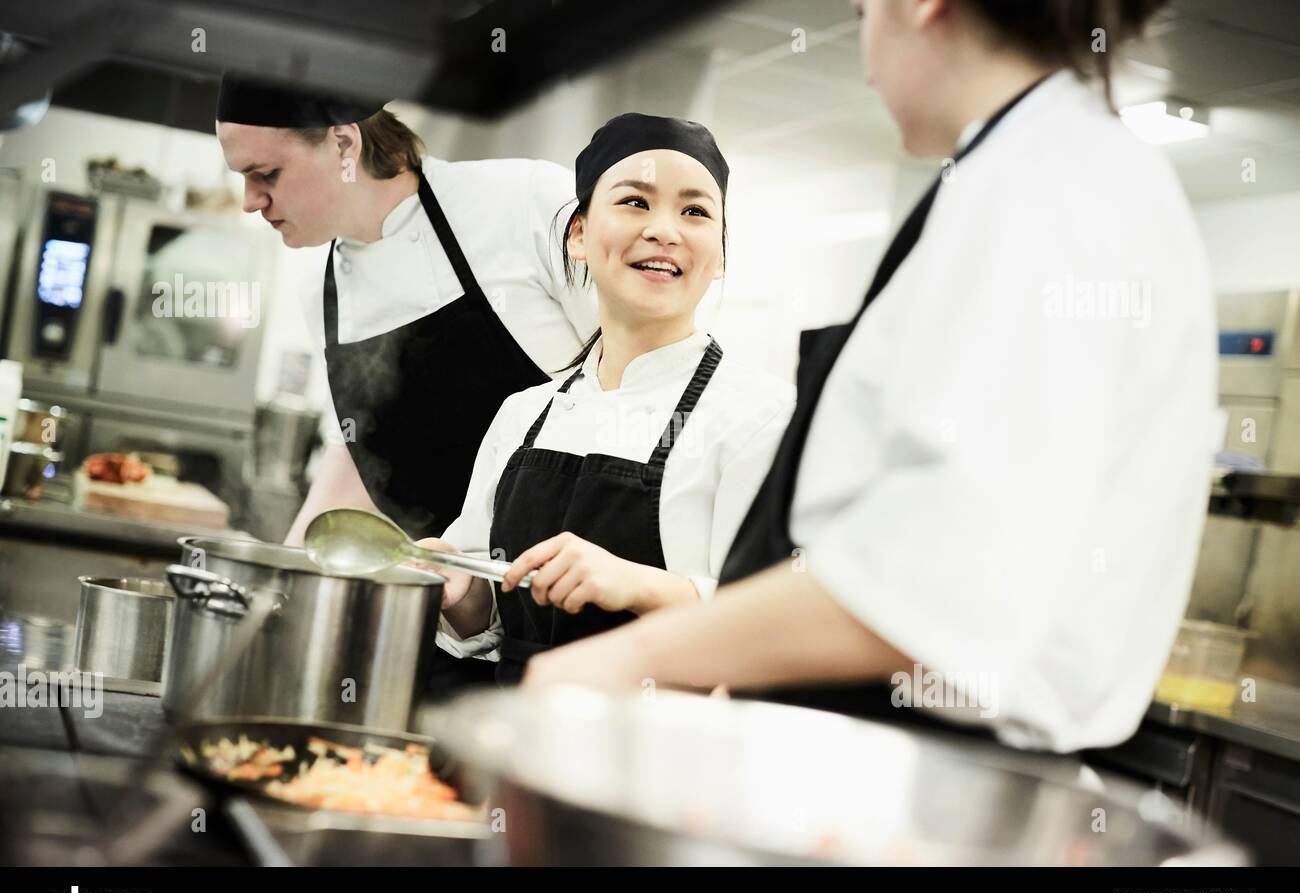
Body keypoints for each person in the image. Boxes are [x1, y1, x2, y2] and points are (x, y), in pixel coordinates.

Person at [519, 0, 1216, 754]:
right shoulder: (1024, 175)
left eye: (861, 12)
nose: (866, 56)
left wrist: (628, 656)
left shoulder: (1053, 191)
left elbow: (945, 582)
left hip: (942, 783)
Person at [216, 73, 595, 693]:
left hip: (575, 621)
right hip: (442, 625)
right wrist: (276, 591)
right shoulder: (324, 292)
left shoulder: (525, 202)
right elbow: (361, 460)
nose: (250, 201)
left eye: (267, 174)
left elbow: (638, 390)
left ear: (344, 146)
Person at [425, 113, 794, 683]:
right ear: (577, 235)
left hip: (656, 756)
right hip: (512, 739)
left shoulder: (760, 417)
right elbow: (489, 623)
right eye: (635, 202)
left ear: (719, 255)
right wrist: (458, 594)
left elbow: (774, 629)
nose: (665, 231)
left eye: (695, 211)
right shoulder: (522, 415)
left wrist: (637, 583)